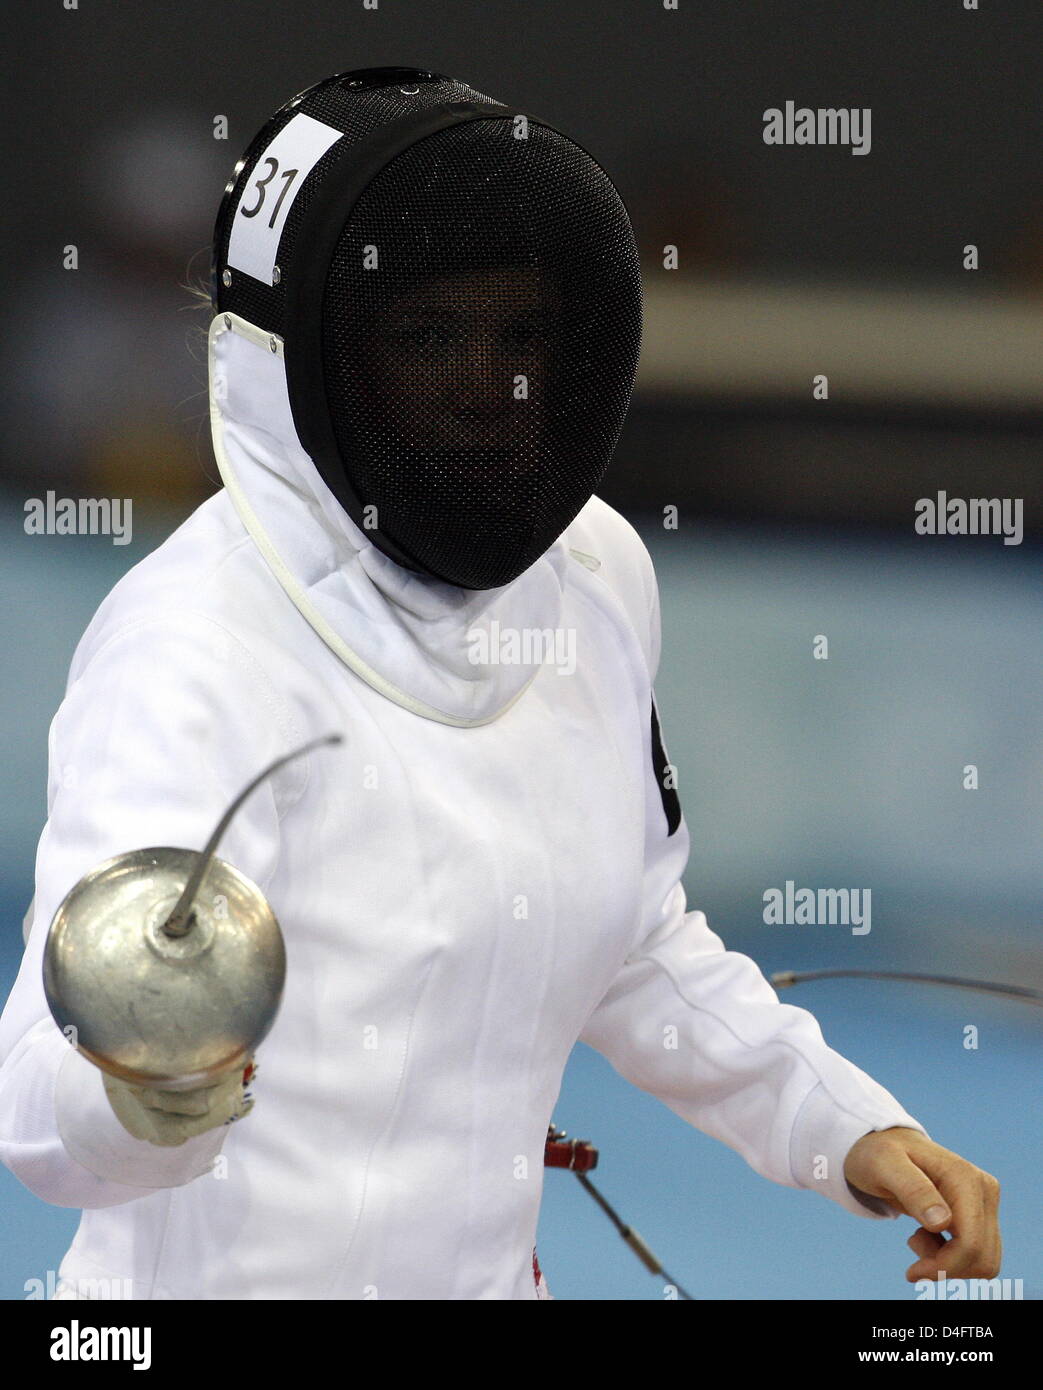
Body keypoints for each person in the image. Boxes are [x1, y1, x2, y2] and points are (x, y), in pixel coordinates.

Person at [0, 67, 1000, 1301]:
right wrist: (147, 1085)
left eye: (519, 336)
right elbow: (39, 1114)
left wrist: (840, 1123)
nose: (491, 384)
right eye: (427, 339)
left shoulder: (590, 574)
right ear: (306, 359)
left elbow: (630, 935)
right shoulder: (193, 646)